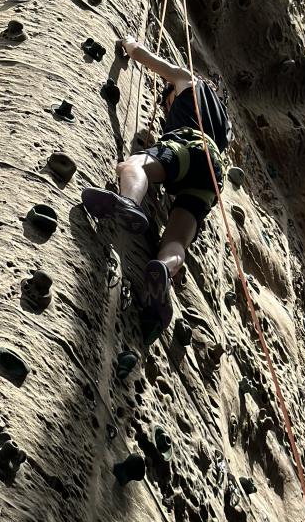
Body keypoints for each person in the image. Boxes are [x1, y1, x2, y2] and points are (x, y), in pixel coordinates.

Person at [81, 36, 232, 344]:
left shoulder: (188, 82)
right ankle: (163, 268)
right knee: (177, 239)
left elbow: (151, 60)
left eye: (166, 103)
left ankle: (128, 202)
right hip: (213, 175)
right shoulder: (223, 125)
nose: (165, 110)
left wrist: (130, 45)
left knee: (133, 166)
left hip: (190, 144)